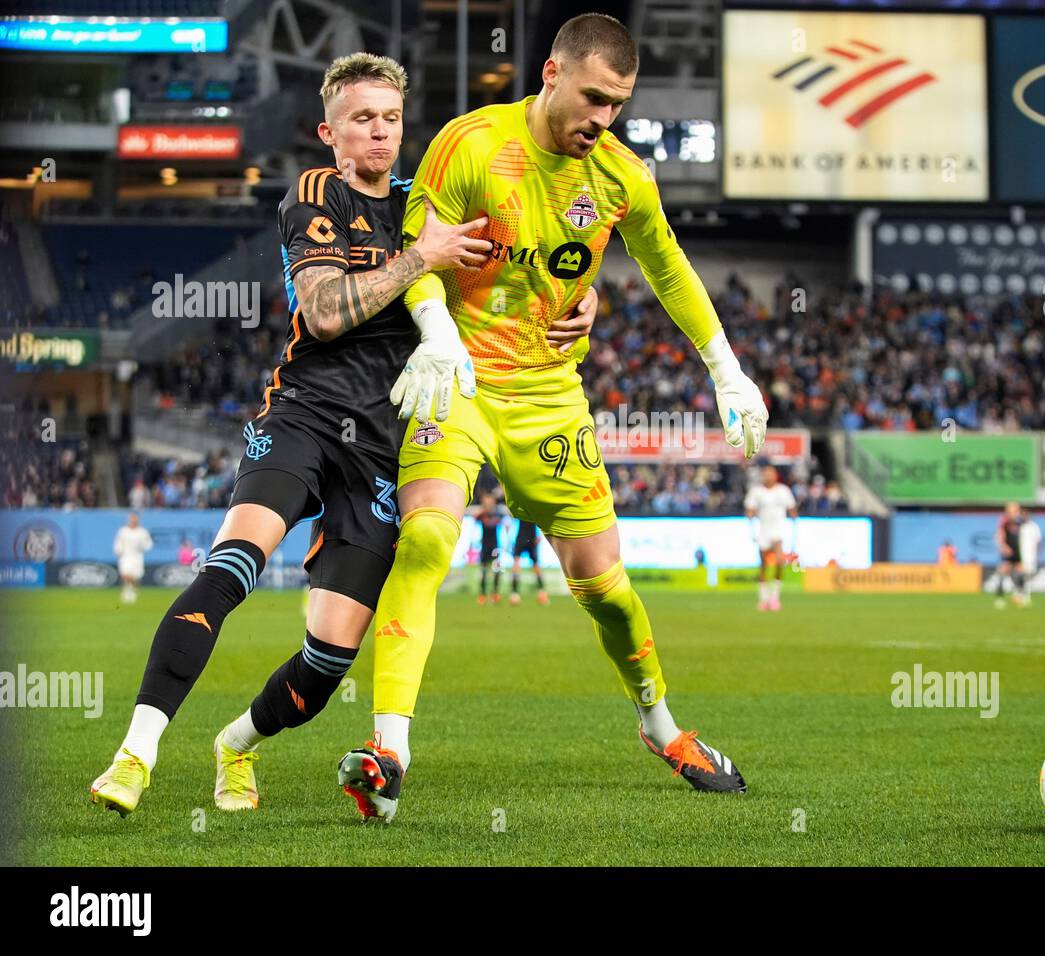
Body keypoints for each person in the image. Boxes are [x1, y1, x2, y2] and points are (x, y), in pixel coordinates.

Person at [89, 52, 597, 818]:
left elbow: (525, 280)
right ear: (331, 132)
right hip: (306, 415)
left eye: (391, 118)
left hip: (384, 450)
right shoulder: (317, 194)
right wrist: (418, 259)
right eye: (363, 119)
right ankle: (136, 751)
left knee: (328, 661)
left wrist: (584, 305)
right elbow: (324, 311)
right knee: (234, 565)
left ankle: (234, 745)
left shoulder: (430, 205)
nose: (381, 133)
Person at [338, 13, 768, 822]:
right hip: (456, 378)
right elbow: (420, 252)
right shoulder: (469, 143)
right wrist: (433, 330)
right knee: (427, 538)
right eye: (595, 98)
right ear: (551, 74)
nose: (604, 120)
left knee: (603, 586)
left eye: (620, 105)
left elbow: (669, 268)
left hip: (547, 392)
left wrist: (726, 369)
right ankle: (388, 750)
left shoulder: (620, 177)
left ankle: (662, 727)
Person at [745, 465, 797, 612]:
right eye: (766, 473)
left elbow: (792, 509)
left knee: (780, 561)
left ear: (776, 475)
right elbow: (750, 509)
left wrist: (794, 520)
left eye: (771, 473)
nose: (768, 476)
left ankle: (775, 596)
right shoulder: (756, 492)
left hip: (778, 530)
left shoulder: (783, 491)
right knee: (763, 564)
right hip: (763, 530)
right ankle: (763, 598)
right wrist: (750, 518)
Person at [471, 491, 507, 605]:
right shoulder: (482, 514)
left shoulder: (497, 514)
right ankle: (482, 594)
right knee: (484, 571)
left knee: (497, 570)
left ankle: (495, 593)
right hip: (485, 546)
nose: (488, 504)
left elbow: (506, 523)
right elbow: (474, 518)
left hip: (495, 547)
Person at [113, 512, 153, 605]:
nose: (133, 520)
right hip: (126, 556)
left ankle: (133, 592)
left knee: (136, 576)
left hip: (137, 557)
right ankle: (127, 590)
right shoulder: (123, 531)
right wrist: (118, 550)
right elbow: (118, 543)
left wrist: (143, 547)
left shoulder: (142, 532)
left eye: (135, 518)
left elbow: (148, 544)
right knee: (125, 574)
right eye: (131, 518)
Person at [993, 502, 1025, 609]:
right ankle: (1000, 598)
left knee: (1020, 572)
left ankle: (1019, 596)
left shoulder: (1020, 520)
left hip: (1018, 550)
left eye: (1016, 509)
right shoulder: (1004, 521)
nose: (1014, 511)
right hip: (1008, 550)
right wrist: (1003, 546)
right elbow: (1000, 533)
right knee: (1003, 571)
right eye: (1012, 509)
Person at [509, 517, 548, 606]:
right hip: (528, 537)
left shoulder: (521, 507)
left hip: (526, 537)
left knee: (519, 563)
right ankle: (541, 591)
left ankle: (515, 593)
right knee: (533, 564)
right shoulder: (533, 508)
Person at [1017, 509, 1043, 607]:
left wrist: (1039, 554)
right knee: (1023, 574)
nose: (1023, 517)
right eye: (1021, 515)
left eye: (1024, 515)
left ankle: (1024, 595)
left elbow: (1039, 541)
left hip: (1031, 555)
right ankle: (1022, 595)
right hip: (1021, 556)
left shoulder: (1034, 527)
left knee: (1029, 575)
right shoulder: (1019, 527)